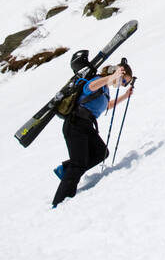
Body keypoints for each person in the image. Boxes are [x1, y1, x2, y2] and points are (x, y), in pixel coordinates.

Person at [52, 61, 135, 208]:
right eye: (123, 80)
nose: (122, 84)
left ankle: (65, 169)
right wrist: (112, 77)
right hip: (75, 123)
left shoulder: (105, 90)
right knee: (79, 164)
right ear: (115, 72)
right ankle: (59, 201)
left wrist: (125, 96)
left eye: (125, 83)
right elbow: (89, 87)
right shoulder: (98, 80)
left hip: (86, 125)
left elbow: (108, 105)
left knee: (101, 152)